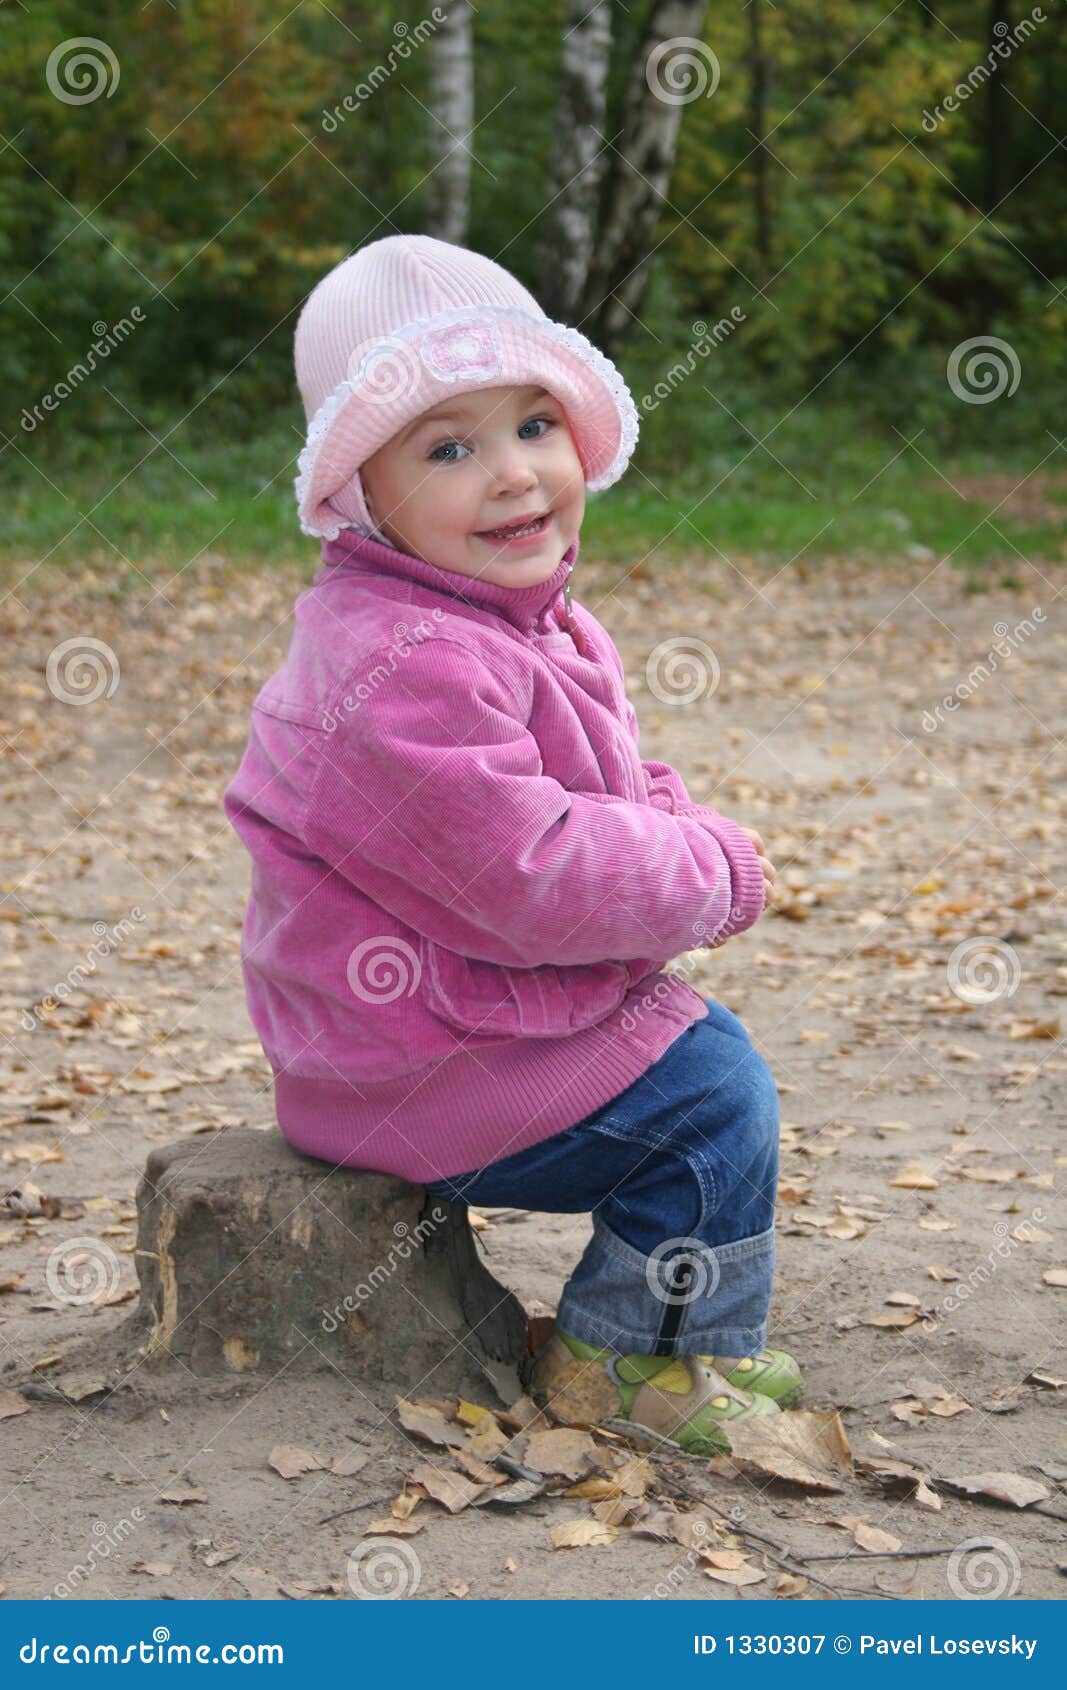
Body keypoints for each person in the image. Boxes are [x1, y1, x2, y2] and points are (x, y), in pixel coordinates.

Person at [223, 233, 802, 1457]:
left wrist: (675, 820)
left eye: (533, 425)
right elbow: (527, 873)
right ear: (360, 494)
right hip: (402, 1055)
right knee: (709, 1096)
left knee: (706, 1060)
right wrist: (712, 874)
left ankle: (647, 1330)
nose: (512, 476)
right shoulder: (400, 664)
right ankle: (621, 1354)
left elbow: (605, 775)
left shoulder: (508, 616)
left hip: (439, 1016)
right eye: (448, 448)